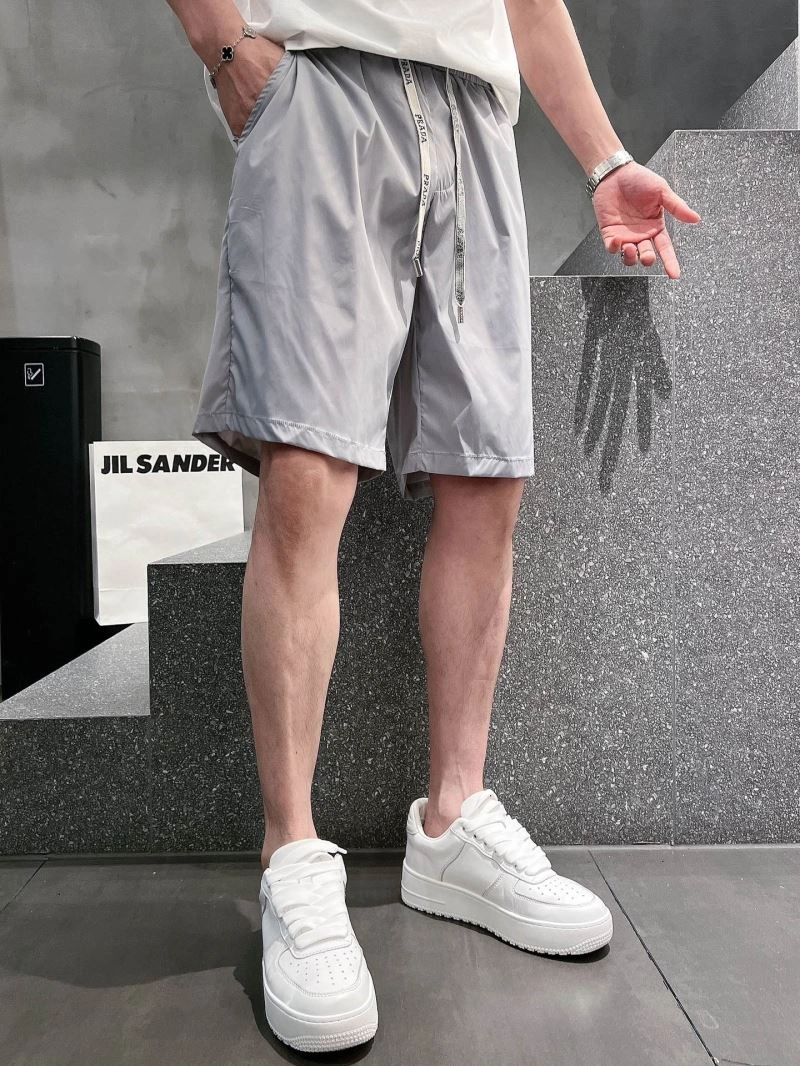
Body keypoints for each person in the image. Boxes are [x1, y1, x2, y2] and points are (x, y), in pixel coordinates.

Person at [166, 0, 701, 1052]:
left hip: (473, 123)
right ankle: (291, 854)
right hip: (323, 87)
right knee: (307, 474)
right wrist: (222, 46)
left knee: (486, 478)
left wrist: (603, 162)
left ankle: (453, 824)